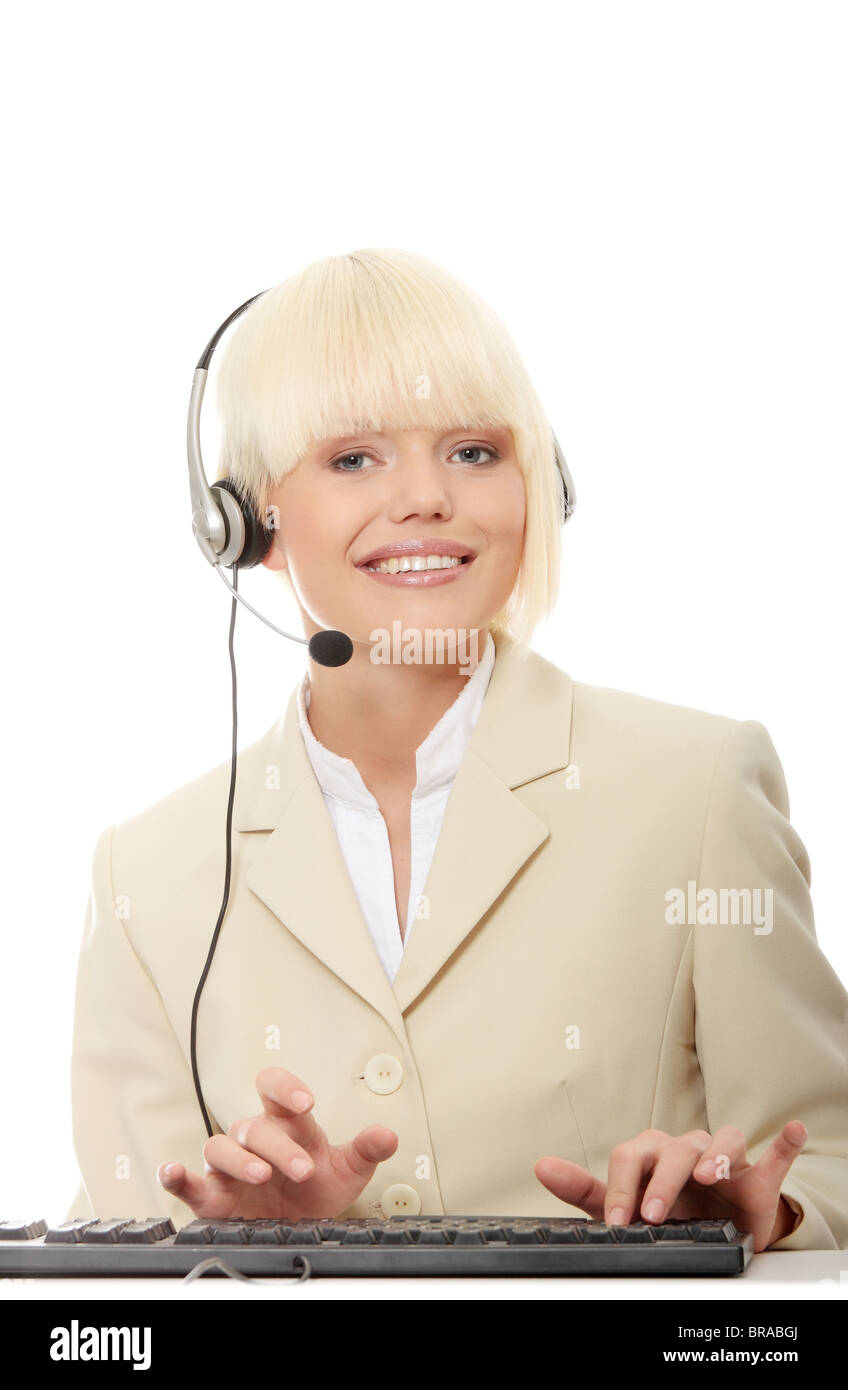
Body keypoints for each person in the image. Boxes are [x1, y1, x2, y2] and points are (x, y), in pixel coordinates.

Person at [65, 248, 848, 1250]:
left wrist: (758, 1211)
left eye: (473, 451)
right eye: (354, 458)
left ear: (537, 485)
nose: (428, 496)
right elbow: (109, 1246)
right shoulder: (147, 872)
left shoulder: (696, 789)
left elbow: (825, 1152)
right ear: (243, 522)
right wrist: (238, 1241)